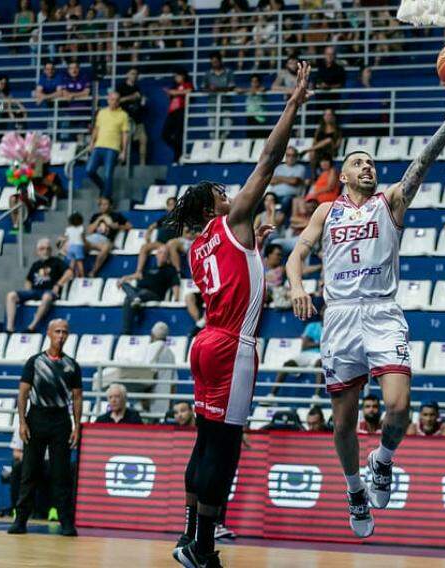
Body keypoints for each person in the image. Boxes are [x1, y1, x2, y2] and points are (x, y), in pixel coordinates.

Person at [286, 77, 445, 538]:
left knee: (398, 406)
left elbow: (424, 161)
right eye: (359, 162)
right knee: (343, 422)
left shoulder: (391, 200)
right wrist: (297, 285)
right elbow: (297, 253)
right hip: (337, 317)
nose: (368, 166)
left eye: (372, 161)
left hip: (381, 312)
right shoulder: (326, 211)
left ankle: (384, 460)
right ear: (344, 175)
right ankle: (355, 489)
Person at [167, 62, 311, 568]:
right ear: (213, 206)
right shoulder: (229, 220)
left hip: (205, 342)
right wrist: (294, 103)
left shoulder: (197, 245)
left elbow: (235, 270)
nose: (231, 195)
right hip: (232, 345)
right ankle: (204, 550)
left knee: (205, 440)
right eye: (222, 195)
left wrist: (255, 248)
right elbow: (269, 160)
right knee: (225, 448)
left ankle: (188, 537)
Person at [9, 319, 82, 537]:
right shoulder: (34, 362)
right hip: (37, 417)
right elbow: (22, 393)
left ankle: (66, 522)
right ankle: (20, 520)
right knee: (29, 471)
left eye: (65, 332)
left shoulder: (71, 365)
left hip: (60, 419)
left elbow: (77, 398)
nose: (61, 335)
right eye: (57, 331)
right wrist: (22, 422)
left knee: (61, 474)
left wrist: (77, 427)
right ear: (49, 333)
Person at [5, 238, 72, 333]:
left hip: (49, 291)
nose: (45, 251)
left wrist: (58, 284)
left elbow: (69, 272)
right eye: (42, 249)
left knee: (46, 296)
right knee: (11, 295)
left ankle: (32, 326)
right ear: (37, 251)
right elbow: (28, 280)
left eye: (48, 249)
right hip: (35, 291)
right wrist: (28, 291)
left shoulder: (56, 261)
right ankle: (10, 328)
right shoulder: (36, 264)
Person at [118, 245, 180, 334]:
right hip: (139, 291)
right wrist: (124, 278)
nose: (162, 255)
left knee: (129, 298)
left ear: (168, 257)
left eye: (165, 253)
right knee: (124, 285)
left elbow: (175, 284)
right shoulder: (149, 268)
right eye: (160, 252)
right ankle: (135, 298)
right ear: (156, 255)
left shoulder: (170, 270)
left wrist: (176, 298)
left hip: (154, 294)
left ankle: (126, 330)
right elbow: (137, 275)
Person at [269, 305, 323, 397]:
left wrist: (314, 342)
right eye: (324, 310)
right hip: (306, 354)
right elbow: (305, 345)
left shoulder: (333, 329)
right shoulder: (312, 326)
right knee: (288, 364)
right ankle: (272, 395)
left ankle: (316, 397)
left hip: (321, 355)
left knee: (320, 363)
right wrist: (323, 343)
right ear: (321, 313)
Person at [86, 90, 129, 199]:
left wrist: (124, 151)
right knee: (89, 170)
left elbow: (125, 134)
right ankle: (104, 188)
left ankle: (106, 197)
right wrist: (92, 142)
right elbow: (96, 129)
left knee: (108, 175)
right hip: (98, 146)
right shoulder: (101, 112)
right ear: (108, 100)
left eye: (116, 100)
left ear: (119, 102)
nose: (114, 102)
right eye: (112, 99)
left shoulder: (123, 115)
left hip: (112, 148)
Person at [86, 196, 131, 277]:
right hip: (93, 240)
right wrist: (99, 219)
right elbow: (89, 231)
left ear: (110, 205)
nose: (103, 206)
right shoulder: (95, 216)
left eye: (105, 204)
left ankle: (93, 271)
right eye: (101, 204)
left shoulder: (116, 216)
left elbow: (129, 226)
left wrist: (115, 226)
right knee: (76, 244)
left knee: (106, 247)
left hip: (106, 241)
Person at [116, 67, 148, 166]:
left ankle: (142, 165)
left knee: (144, 139)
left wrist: (143, 102)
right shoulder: (121, 87)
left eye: (136, 74)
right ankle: (120, 164)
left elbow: (140, 102)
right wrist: (132, 97)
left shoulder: (138, 88)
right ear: (127, 75)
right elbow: (117, 101)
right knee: (123, 143)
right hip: (125, 120)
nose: (134, 76)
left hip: (137, 119)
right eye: (132, 73)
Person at [162, 69, 193, 163]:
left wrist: (173, 92)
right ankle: (179, 150)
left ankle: (177, 156)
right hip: (172, 112)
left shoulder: (187, 84)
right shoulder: (174, 86)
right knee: (165, 134)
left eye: (177, 76)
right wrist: (170, 93)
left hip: (181, 111)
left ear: (183, 76)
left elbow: (189, 91)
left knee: (179, 135)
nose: (176, 78)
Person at [268, 146, 307, 217]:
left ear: (296, 156)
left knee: (286, 199)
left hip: (290, 196)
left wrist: (279, 178)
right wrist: (288, 179)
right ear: (285, 156)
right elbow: (271, 181)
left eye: (293, 155)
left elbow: (294, 181)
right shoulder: (278, 167)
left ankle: (279, 219)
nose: (291, 157)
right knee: (264, 199)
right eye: (288, 155)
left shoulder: (301, 168)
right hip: (274, 195)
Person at [305, 107, 342, 172]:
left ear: (333, 116)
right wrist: (316, 147)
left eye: (330, 115)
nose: (328, 117)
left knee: (329, 140)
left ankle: (307, 150)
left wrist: (329, 143)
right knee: (312, 152)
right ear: (323, 117)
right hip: (319, 151)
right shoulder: (319, 129)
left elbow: (337, 146)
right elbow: (314, 142)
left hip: (331, 151)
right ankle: (313, 175)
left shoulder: (337, 130)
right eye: (326, 115)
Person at [64, 212, 86, 277]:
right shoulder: (81, 228)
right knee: (80, 263)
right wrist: (84, 244)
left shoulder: (68, 229)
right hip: (78, 246)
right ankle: (82, 277)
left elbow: (67, 238)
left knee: (72, 263)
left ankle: (70, 276)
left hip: (70, 247)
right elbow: (83, 238)